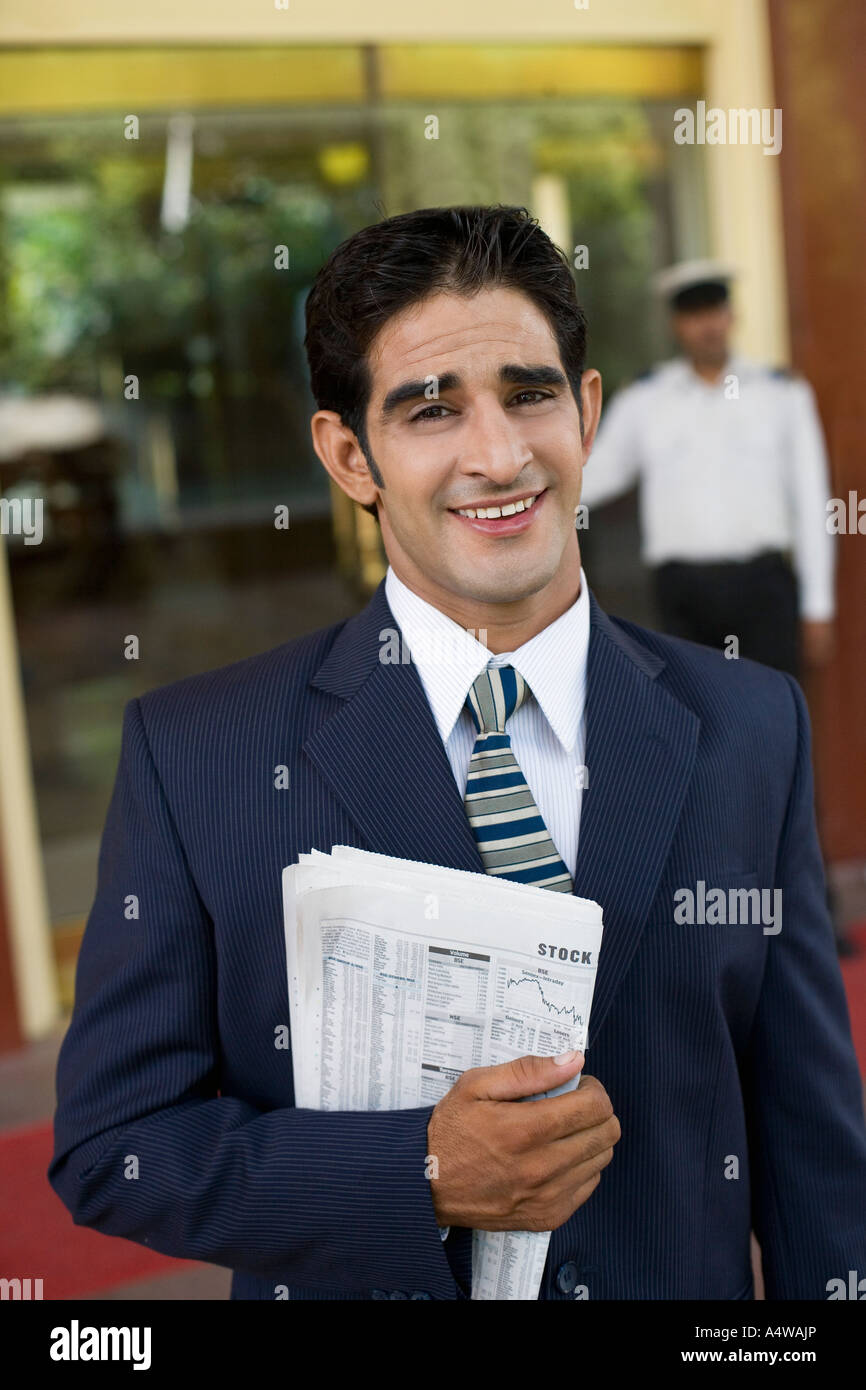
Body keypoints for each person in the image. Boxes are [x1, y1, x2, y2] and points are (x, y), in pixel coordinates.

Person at [49, 206, 866, 1301]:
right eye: (430, 410)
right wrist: (416, 1170)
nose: (496, 454)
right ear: (350, 456)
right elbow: (115, 1147)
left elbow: (812, 1152)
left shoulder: (751, 726)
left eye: (528, 394)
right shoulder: (197, 755)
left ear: (582, 410)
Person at [579, 259, 836, 678]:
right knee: (694, 725)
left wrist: (818, 605)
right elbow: (596, 475)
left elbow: (812, 499)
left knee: (769, 725)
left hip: (763, 588)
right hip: (682, 592)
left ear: (732, 314)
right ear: (676, 324)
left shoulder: (781, 392)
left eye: (715, 310)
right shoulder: (647, 398)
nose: (708, 325)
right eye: (694, 314)